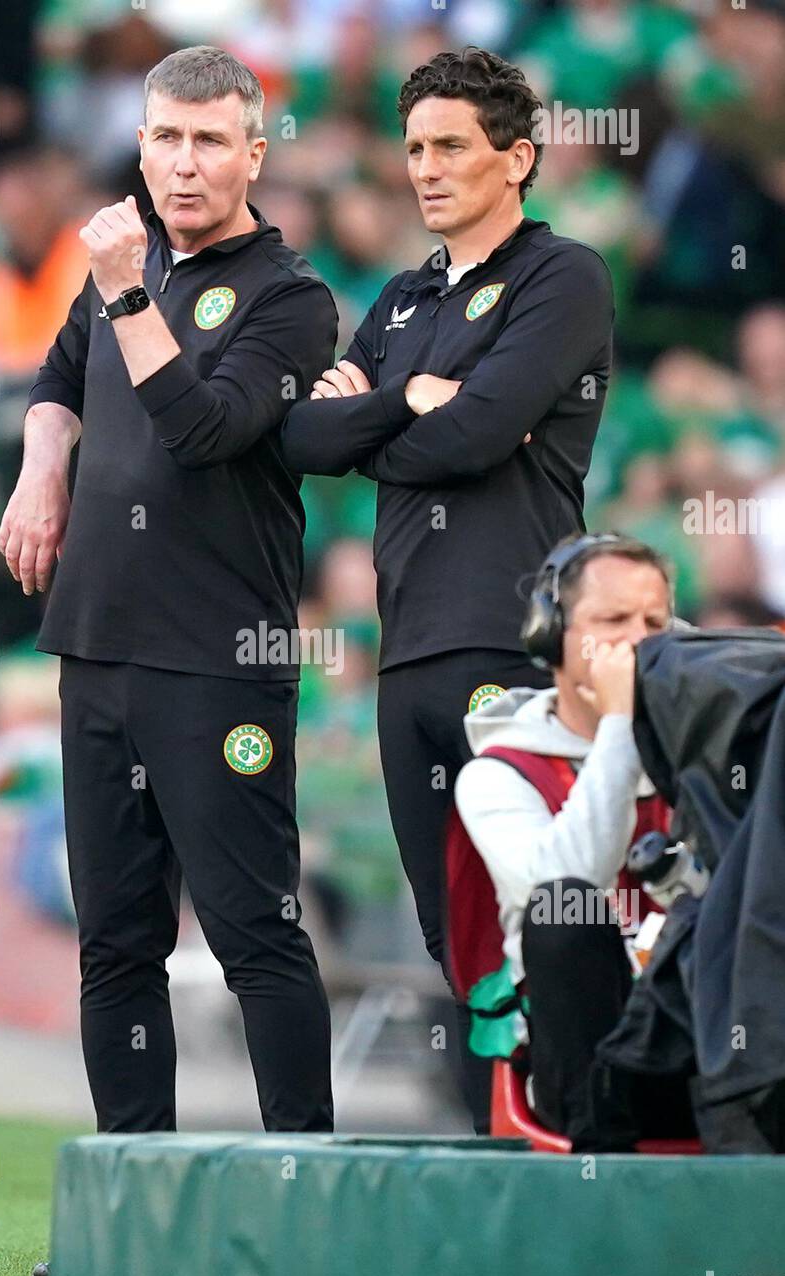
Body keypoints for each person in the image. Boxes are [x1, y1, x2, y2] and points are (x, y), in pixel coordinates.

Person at [0, 46, 338, 1173]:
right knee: (117, 946)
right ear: (139, 146)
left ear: (254, 151)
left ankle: (307, 1182)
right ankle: (134, 1186)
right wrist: (41, 469)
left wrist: (128, 293)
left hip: (215, 661)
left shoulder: (293, 301)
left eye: (207, 141)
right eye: (163, 140)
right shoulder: (120, 277)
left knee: (253, 934)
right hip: (95, 645)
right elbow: (55, 384)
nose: (183, 165)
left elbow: (202, 430)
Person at [281, 47, 615, 1129]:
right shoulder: (405, 293)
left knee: (537, 921)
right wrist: (410, 401)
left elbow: (475, 435)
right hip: (408, 652)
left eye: (452, 147)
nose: (425, 168)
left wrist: (394, 408)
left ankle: (577, 1148)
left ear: (517, 159)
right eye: (415, 146)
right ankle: (495, 1156)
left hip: (509, 649)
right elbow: (307, 436)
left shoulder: (561, 277)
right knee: (450, 932)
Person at [452, 533, 694, 1149]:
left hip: (704, 1053)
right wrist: (619, 725)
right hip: (587, 1071)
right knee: (564, 906)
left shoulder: (701, 762)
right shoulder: (497, 775)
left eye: (656, 623)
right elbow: (567, 883)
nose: (639, 641)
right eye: (614, 620)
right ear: (551, 632)